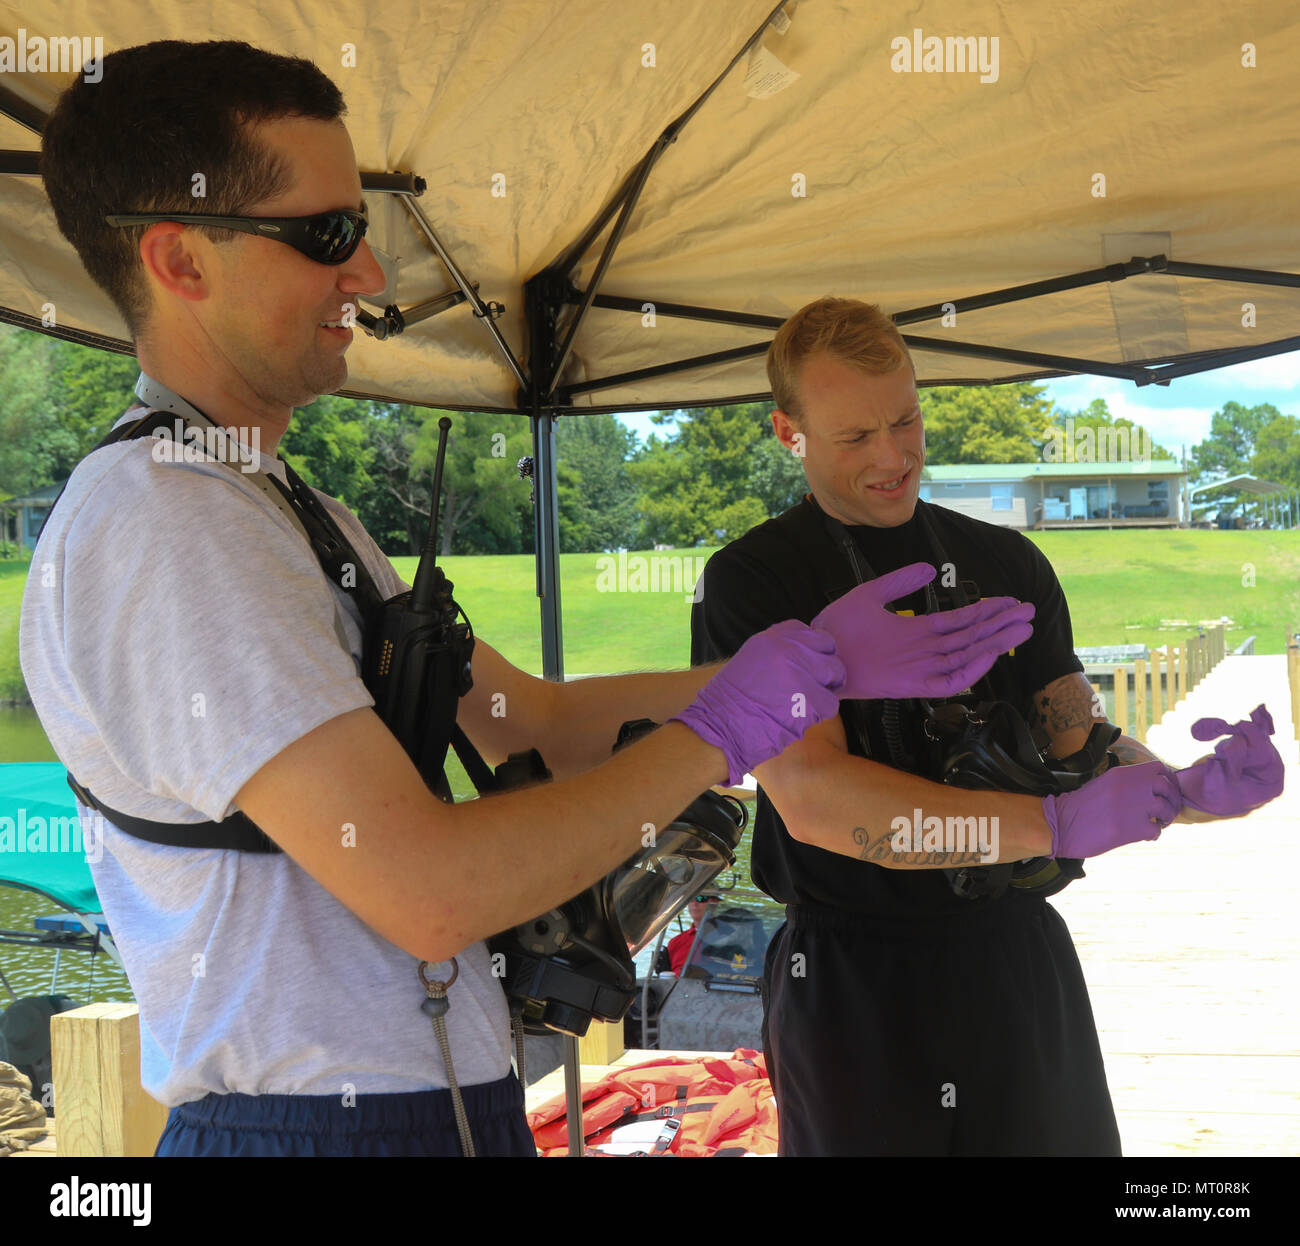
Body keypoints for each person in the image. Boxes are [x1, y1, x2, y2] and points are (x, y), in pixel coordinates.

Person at [18, 44, 1035, 1159]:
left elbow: (528, 720)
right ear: (181, 260)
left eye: (362, 230)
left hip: (426, 1107)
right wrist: (728, 725)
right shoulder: (170, 522)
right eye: (324, 235)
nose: (365, 275)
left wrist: (814, 668)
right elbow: (431, 887)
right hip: (318, 1130)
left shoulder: (286, 505)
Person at [690, 296, 1286, 1157]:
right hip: (854, 976)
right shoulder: (752, 580)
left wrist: (1184, 790)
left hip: (1013, 956)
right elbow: (816, 799)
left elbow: (1077, 739)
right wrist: (1048, 825)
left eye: (906, 420)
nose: (894, 457)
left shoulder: (1009, 561)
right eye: (856, 437)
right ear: (790, 431)